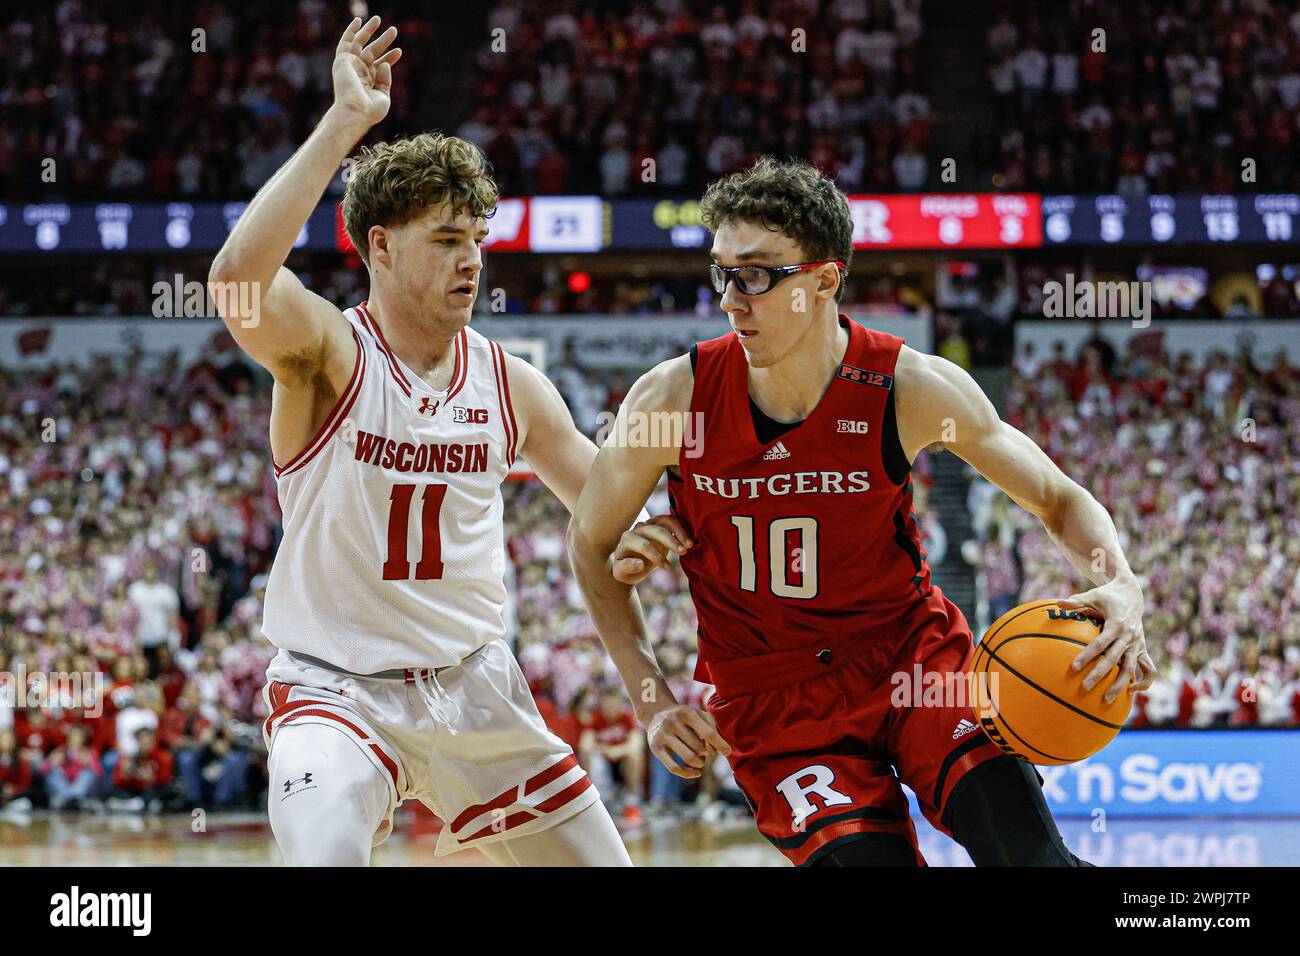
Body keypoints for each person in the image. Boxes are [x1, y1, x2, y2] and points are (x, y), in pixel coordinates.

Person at [568, 156, 1157, 867]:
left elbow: (1057, 497)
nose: (730, 298)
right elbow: (591, 542)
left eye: (756, 274)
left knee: (1032, 860)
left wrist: (1121, 581)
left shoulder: (909, 389)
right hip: (774, 704)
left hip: (912, 663)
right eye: (722, 272)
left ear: (823, 281)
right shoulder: (673, 403)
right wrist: (653, 697)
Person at [208, 16, 676, 867]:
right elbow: (238, 284)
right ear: (380, 248)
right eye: (448, 241)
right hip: (335, 689)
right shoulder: (328, 353)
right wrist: (345, 123)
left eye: (478, 242)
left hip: (474, 689)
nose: (472, 263)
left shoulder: (511, 383)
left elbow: (605, 509)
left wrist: (650, 531)